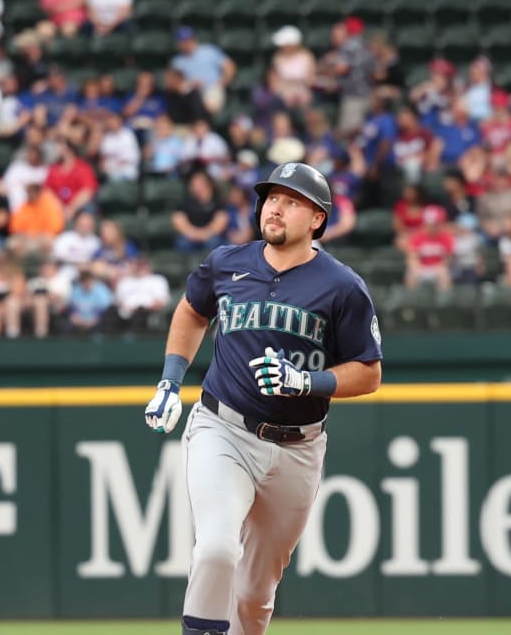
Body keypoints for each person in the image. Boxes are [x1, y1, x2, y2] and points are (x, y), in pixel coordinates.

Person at [143, 162, 382, 635]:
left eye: (292, 201)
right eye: (272, 197)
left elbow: (369, 372)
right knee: (215, 548)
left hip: (298, 449)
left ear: (317, 219)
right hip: (223, 427)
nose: (276, 207)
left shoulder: (342, 286)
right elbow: (192, 312)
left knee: (254, 597)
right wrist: (170, 380)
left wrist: (306, 383)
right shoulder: (226, 263)